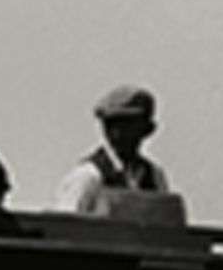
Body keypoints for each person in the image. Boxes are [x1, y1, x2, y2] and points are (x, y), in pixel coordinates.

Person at [53, 84, 182, 222]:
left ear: (146, 130)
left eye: (131, 125)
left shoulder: (154, 177)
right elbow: (64, 229)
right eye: (117, 125)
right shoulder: (89, 176)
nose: (120, 133)